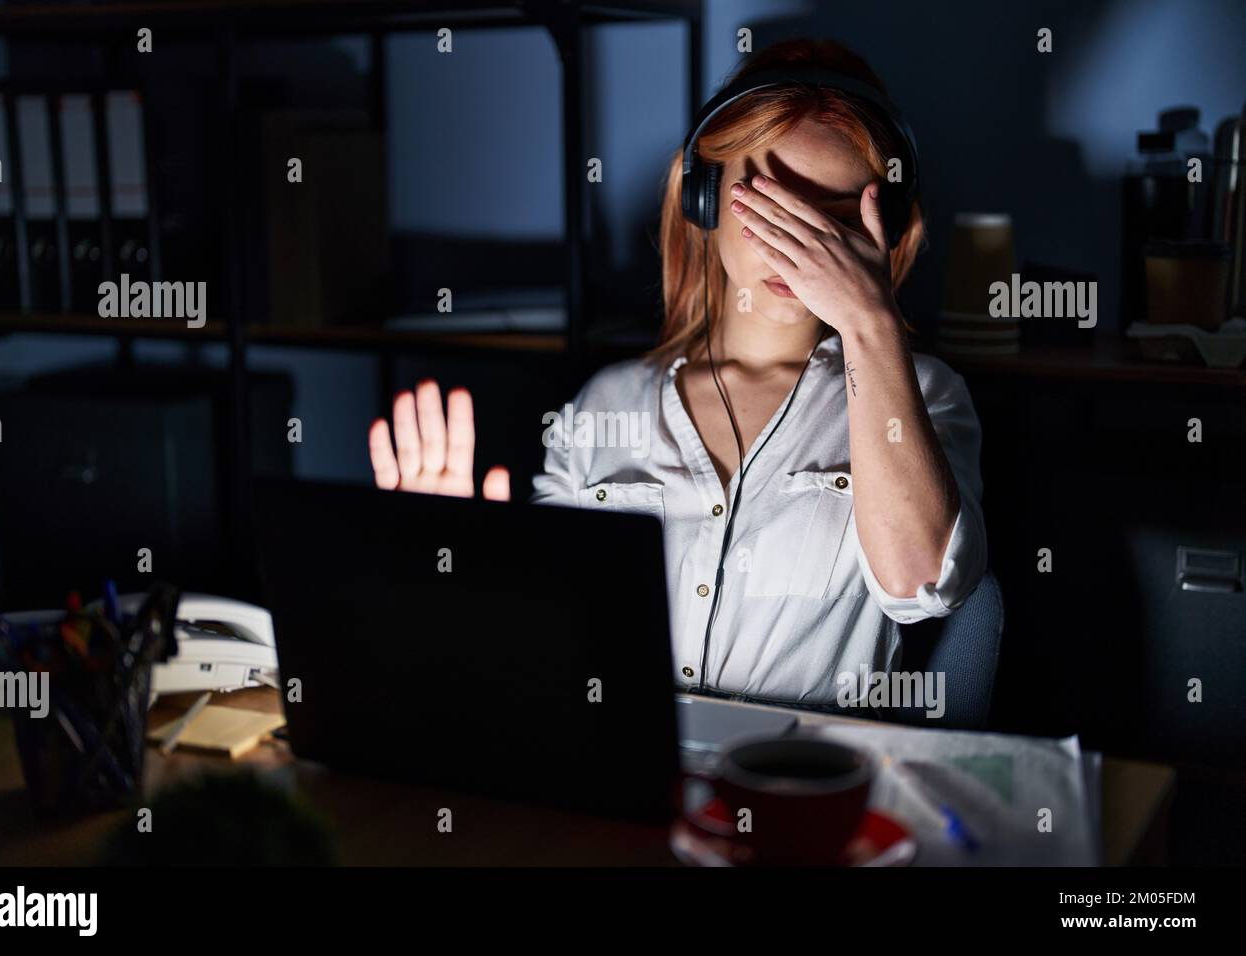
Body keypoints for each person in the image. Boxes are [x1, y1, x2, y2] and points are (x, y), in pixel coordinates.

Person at [368, 38, 985, 708]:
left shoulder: (924, 394)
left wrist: (870, 325)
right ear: (704, 201)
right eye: (771, 208)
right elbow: (546, 632)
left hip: (798, 785)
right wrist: (456, 561)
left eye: (832, 223)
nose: (798, 247)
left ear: (883, 232)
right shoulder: (607, 403)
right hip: (618, 773)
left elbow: (923, 585)